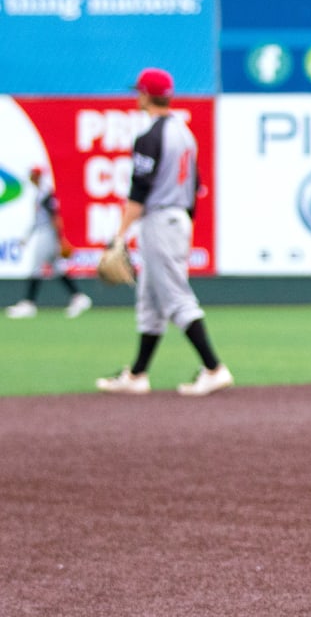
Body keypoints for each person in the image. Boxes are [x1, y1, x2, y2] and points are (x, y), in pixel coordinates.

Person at [95, 68, 233, 397]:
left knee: (175, 298)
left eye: (139, 92)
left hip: (160, 219)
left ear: (145, 95)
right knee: (150, 301)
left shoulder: (150, 137)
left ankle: (214, 368)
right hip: (178, 217)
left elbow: (139, 191)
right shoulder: (184, 132)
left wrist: (120, 235)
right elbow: (196, 185)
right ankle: (137, 375)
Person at [5, 166, 92, 319]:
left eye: (33, 175)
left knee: (36, 267)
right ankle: (79, 297)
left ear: (38, 176)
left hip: (48, 234)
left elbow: (55, 218)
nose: (31, 178)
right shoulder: (40, 193)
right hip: (43, 232)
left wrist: (61, 239)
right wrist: (27, 237)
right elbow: (37, 220)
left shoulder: (46, 194)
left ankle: (29, 303)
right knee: (57, 268)